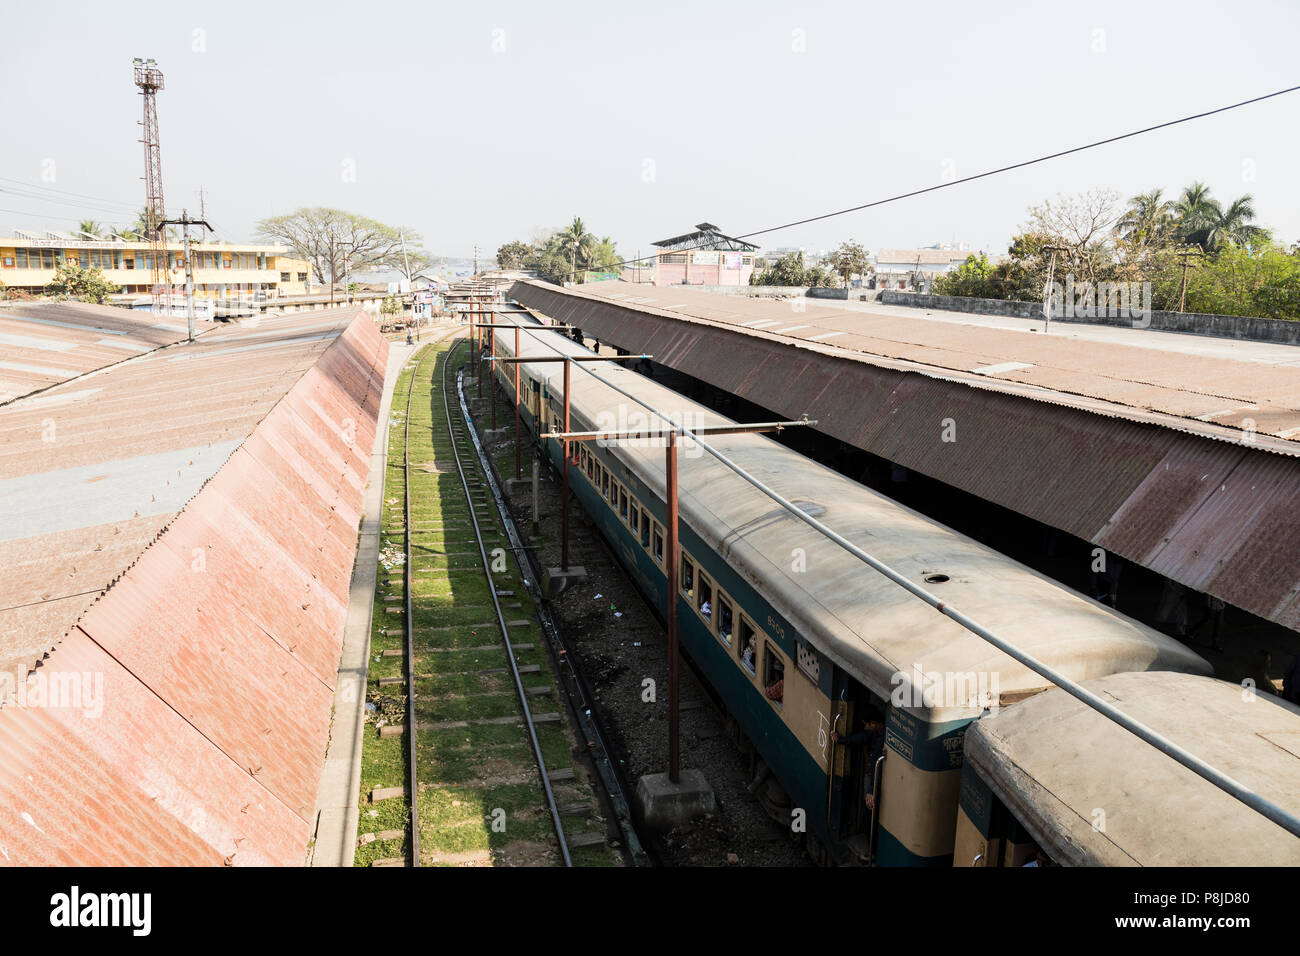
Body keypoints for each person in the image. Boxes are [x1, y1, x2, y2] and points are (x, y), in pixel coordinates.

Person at [832, 710, 886, 815]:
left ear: (873, 724)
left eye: (867, 725)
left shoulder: (882, 738)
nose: (866, 727)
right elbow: (862, 737)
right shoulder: (875, 732)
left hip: (876, 778)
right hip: (872, 773)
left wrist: (872, 790)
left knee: (870, 806)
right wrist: (841, 740)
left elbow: (879, 768)